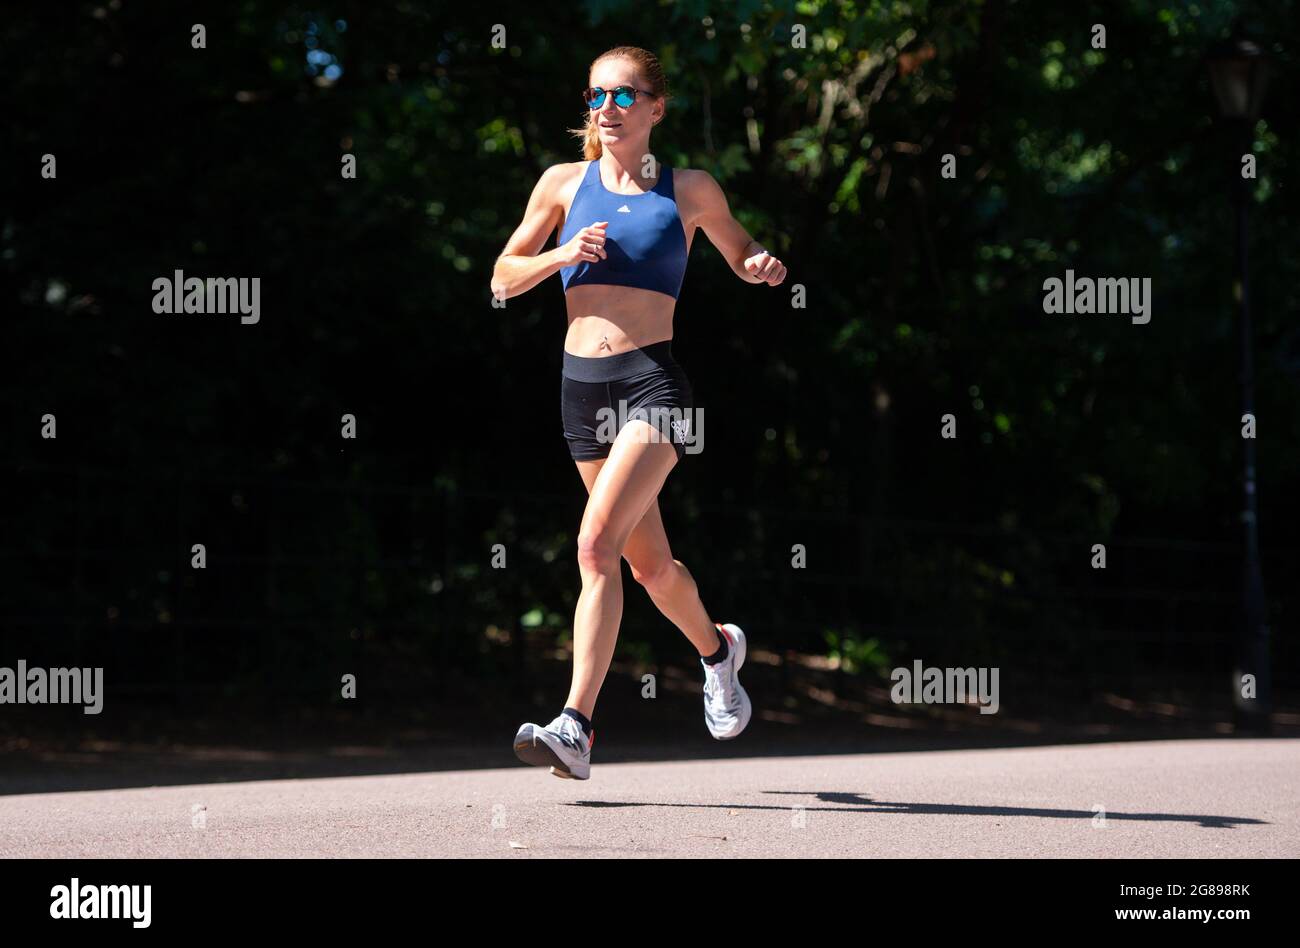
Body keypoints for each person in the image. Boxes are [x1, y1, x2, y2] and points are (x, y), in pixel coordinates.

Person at [489, 45, 787, 779]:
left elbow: (741, 249)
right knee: (650, 567)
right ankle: (719, 650)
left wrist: (757, 264)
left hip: (654, 386)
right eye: (597, 95)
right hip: (581, 391)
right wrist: (561, 255)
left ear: (656, 106)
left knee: (594, 546)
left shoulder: (690, 189)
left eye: (624, 95)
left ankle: (576, 726)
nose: (608, 108)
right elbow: (502, 277)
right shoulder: (562, 184)